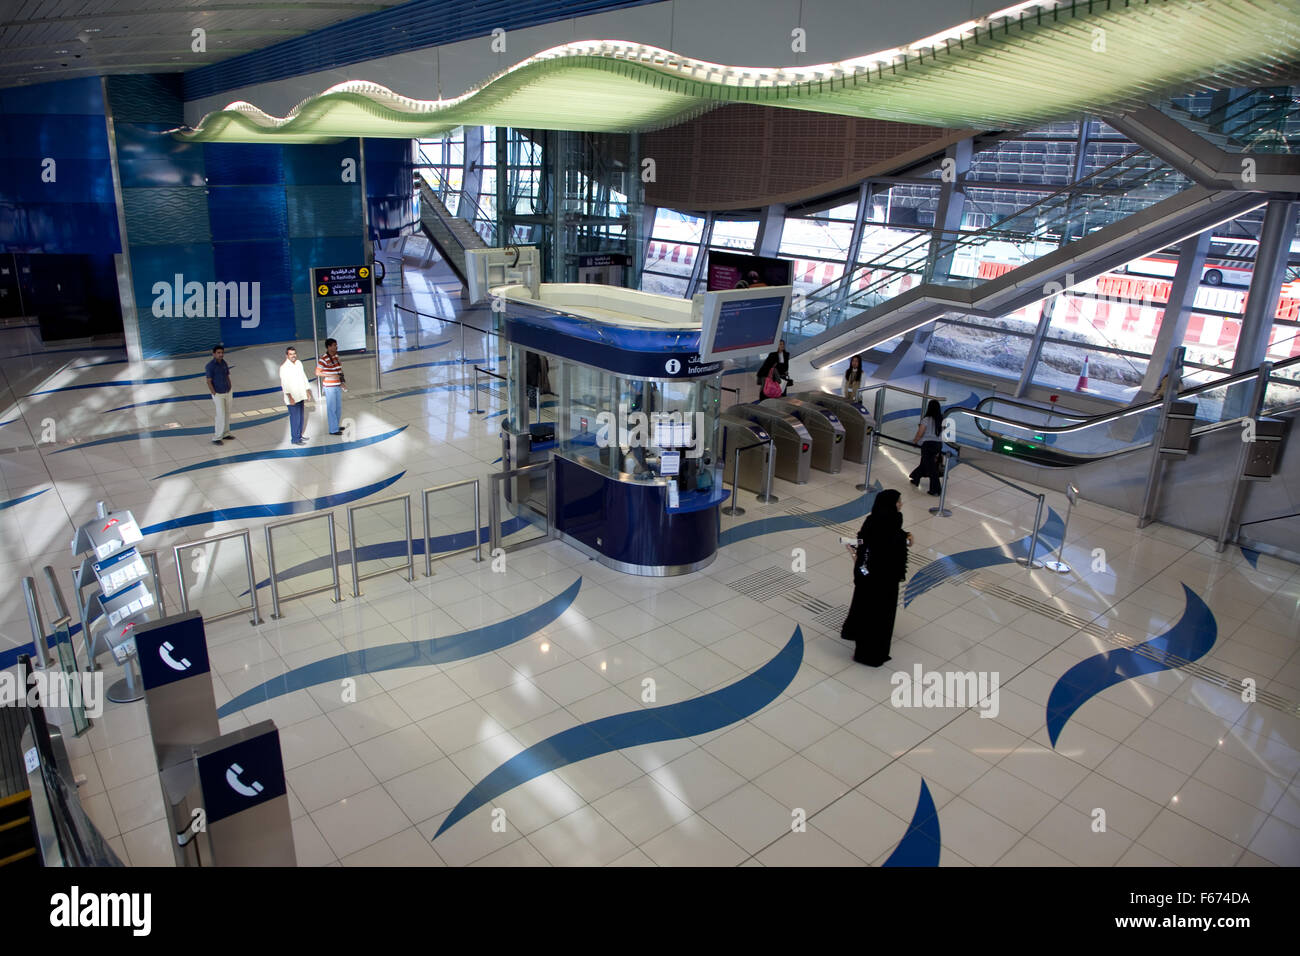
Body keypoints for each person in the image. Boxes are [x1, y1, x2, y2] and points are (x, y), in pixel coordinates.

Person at [840, 489, 911, 666]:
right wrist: (904, 539)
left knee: (863, 606)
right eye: (898, 501)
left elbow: (866, 540)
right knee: (878, 615)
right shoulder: (893, 521)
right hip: (883, 578)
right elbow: (889, 546)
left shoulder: (873, 519)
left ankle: (853, 632)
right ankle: (870, 654)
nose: (900, 504)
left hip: (867, 574)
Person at [909, 399, 944, 496]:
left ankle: (936, 490)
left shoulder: (926, 419)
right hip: (938, 445)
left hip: (928, 445)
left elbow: (920, 433)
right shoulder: (942, 420)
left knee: (931, 467)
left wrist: (915, 441)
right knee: (925, 463)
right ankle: (915, 477)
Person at [280, 346, 311, 445]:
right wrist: (290, 398)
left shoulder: (298, 363)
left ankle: (299, 435)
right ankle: (295, 439)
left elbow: (303, 377)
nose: (293, 356)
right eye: (291, 354)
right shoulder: (284, 368)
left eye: (294, 354)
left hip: (300, 394)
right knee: (295, 418)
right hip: (292, 398)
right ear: (287, 355)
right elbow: (284, 385)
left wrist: (307, 391)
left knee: (301, 417)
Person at [204, 343, 234, 446]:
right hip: (218, 394)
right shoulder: (210, 366)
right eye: (218, 353)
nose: (221, 355)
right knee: (220, 415)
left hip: (227, 391)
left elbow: (227, 375)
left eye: (222, 353)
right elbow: (209, 381)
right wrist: (214, 393)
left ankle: (226, 433)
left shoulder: (224, 363)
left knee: (227, 413)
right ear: (214, 354)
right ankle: (217, 437)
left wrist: (230, 387)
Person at [316, 338, 347, 436]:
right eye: (334, 345)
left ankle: (336, 425)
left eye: (336, 345)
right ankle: (333, 429)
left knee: (338, 407)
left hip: (337, 385)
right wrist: (331, 375)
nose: (336, 347)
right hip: (329, 387)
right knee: (331, 408)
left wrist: (342, 382)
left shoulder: (336, 357)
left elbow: (339, 371)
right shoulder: (323, 359)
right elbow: (317, 372)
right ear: (329, 347)